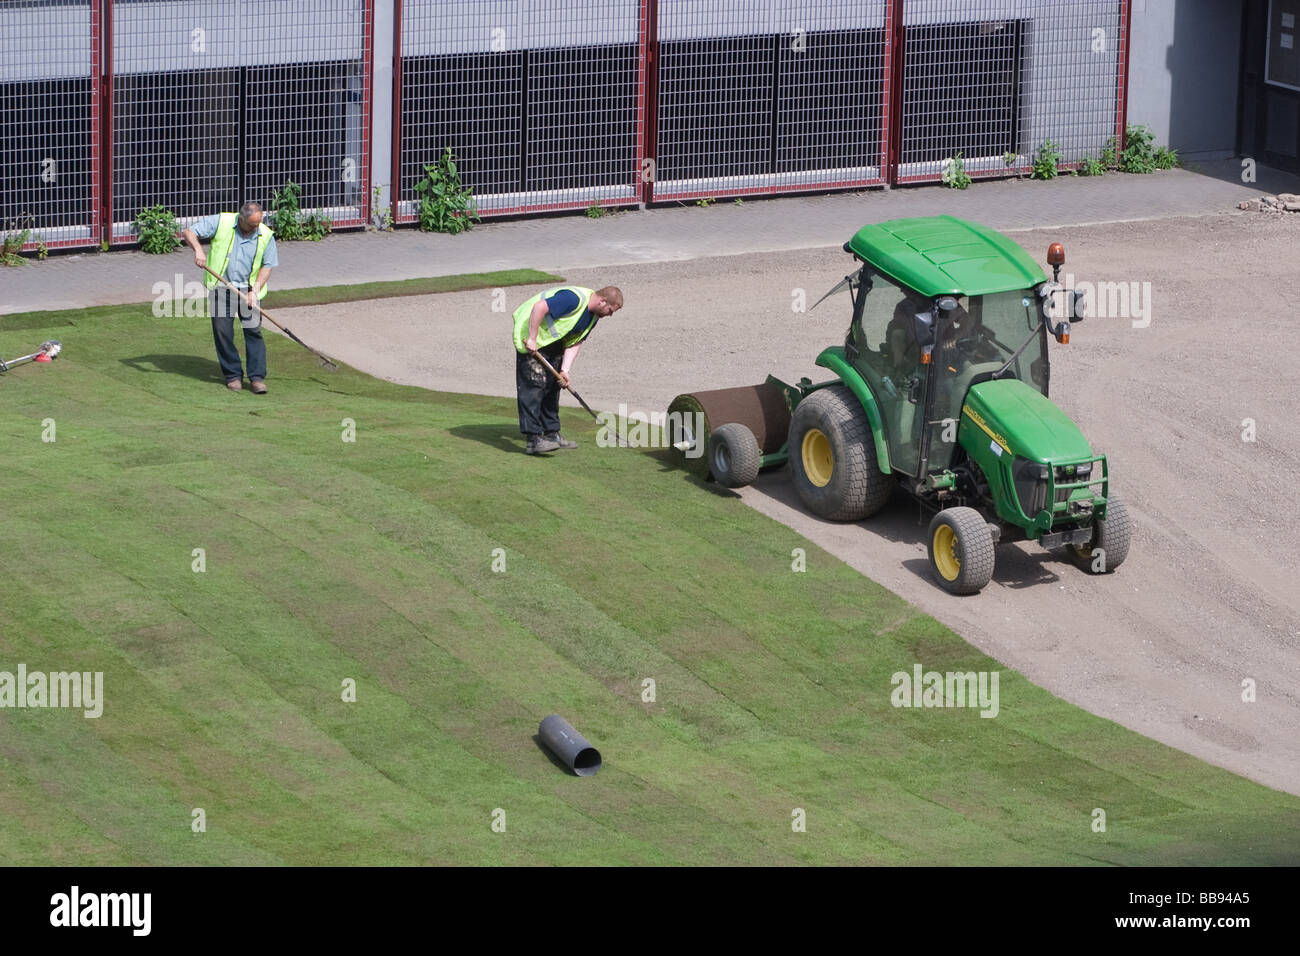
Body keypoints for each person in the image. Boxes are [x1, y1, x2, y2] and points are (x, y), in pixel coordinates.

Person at [511, 284, 622, 455]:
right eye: (610, 310)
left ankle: (551, 433)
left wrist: (565, 370)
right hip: (532, 337)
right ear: (602, 301)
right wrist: (532, 338)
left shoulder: (593, 318)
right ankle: (533, 440)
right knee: (534, 387)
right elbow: (539, 307)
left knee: (553, 387)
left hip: (552, 344)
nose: (610, 315)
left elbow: (576, 341)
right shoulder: (573, 299)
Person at [182, 202, 278, 393]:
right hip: (221, 287)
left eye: (258, 224)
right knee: (222, 332)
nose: (256, 228)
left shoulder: (265, 235)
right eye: (252, 225)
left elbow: (267, 266)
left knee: (253, 332)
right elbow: (189, 232)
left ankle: (257, 378)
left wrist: (254, 291)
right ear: (241, 219)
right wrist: (198, 250)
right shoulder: (223, 222)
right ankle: (233, 375)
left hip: (249, 290)